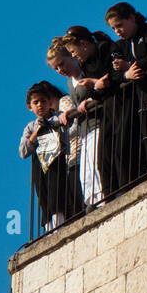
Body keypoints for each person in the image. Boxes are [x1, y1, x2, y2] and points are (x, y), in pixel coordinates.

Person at [101, 5, 147, 188]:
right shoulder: (118, 46)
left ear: (132, 18)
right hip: (142, 95)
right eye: (113, 28)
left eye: (120, 25)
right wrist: (125, 76)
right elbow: (112, 75)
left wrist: (130, 65)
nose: (117, 31)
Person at [46, 38, 105, 208]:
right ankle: (91, 201)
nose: (60, 69)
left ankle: (101, 197)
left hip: (96, 122)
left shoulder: (86, 71)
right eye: (56, 68)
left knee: (96, 161)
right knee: (85, 168)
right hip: (83, 128)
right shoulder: (69, 83)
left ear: (72, 57)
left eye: (62, 64)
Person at [19, 80, 83, 232]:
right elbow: (23, 152)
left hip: (57, 160)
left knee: (57, 191)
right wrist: (36, 133)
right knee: (43, 193)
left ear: (50, 102)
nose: (40, 105)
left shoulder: (58, 117)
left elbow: (72, 126)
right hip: (39, 164)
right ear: (30, 107)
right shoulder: (30, 127)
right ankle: (49, 228)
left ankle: (59, 223)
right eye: (36, 102)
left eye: (43, 101)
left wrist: (62, 120)